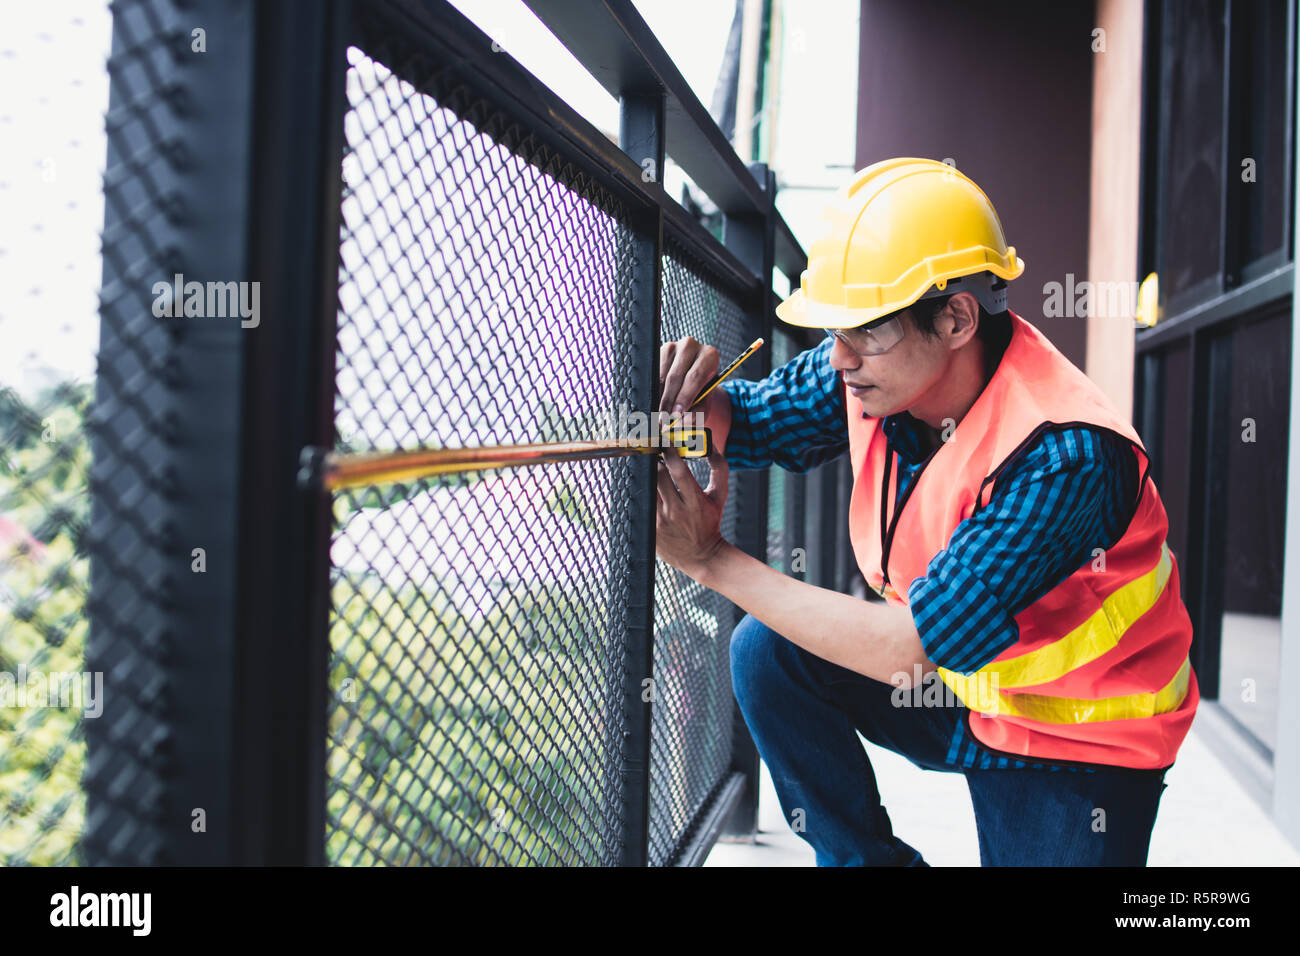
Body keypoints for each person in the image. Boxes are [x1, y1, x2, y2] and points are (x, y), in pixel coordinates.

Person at [652, 157, 1198, 866]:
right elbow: (755, 421)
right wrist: (687, 401)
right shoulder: (870, 364)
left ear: (956, 317)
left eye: (864, 332)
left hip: (1080, 740)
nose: (839, 358)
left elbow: (917, 644)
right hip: (970, 688)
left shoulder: (1068, 454)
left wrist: (710, 560)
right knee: (769, 652)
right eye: (834, 330)